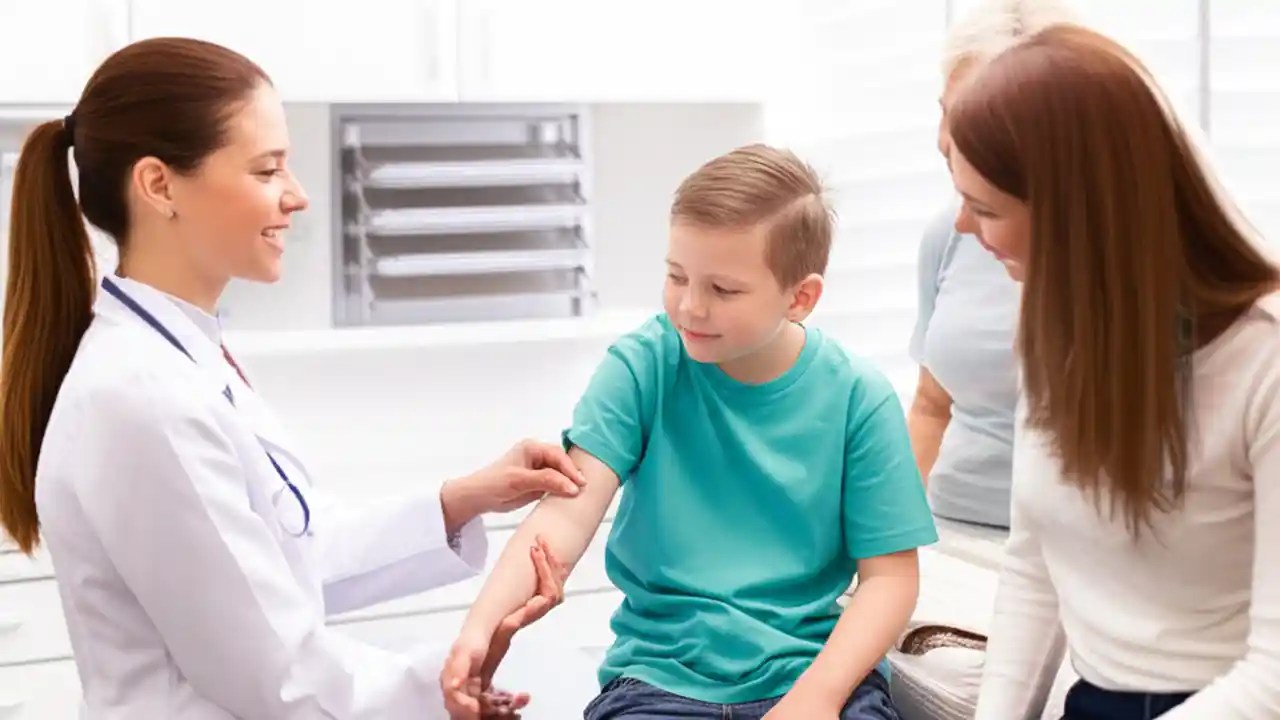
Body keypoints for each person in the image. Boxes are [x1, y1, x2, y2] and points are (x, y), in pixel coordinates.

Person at [0, 37, 581, 719]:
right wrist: (444, 684)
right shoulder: (138, 399)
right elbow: (275, 675)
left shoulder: (179, 359)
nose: (297, 196)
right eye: (266, 169)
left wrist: (461, 500)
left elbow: (282, 558)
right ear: (159, 185)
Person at [439, 143, 939, 719]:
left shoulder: (859, 396)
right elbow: (565, 513)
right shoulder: (644, 366)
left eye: (723, 290)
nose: (689, 308)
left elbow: (891, 580)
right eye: (677, 276)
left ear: (800, 297)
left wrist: (817, 701)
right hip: (658, 680)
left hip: (814, 675)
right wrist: (479, 630)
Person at [944, 24, 1280, 720]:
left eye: (984, 208)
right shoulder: (1060, 334)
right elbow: (1035, 570)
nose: (963, 230)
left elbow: (1273, 678)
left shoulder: (1265, 361)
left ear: (1076, 216)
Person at [910, 0, 1078, 534]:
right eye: (944, 109)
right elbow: (930, 405)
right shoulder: (950, 233)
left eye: (969, 117)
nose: (944, 137)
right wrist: (889, 545)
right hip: (948, 530)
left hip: (1069, 550)